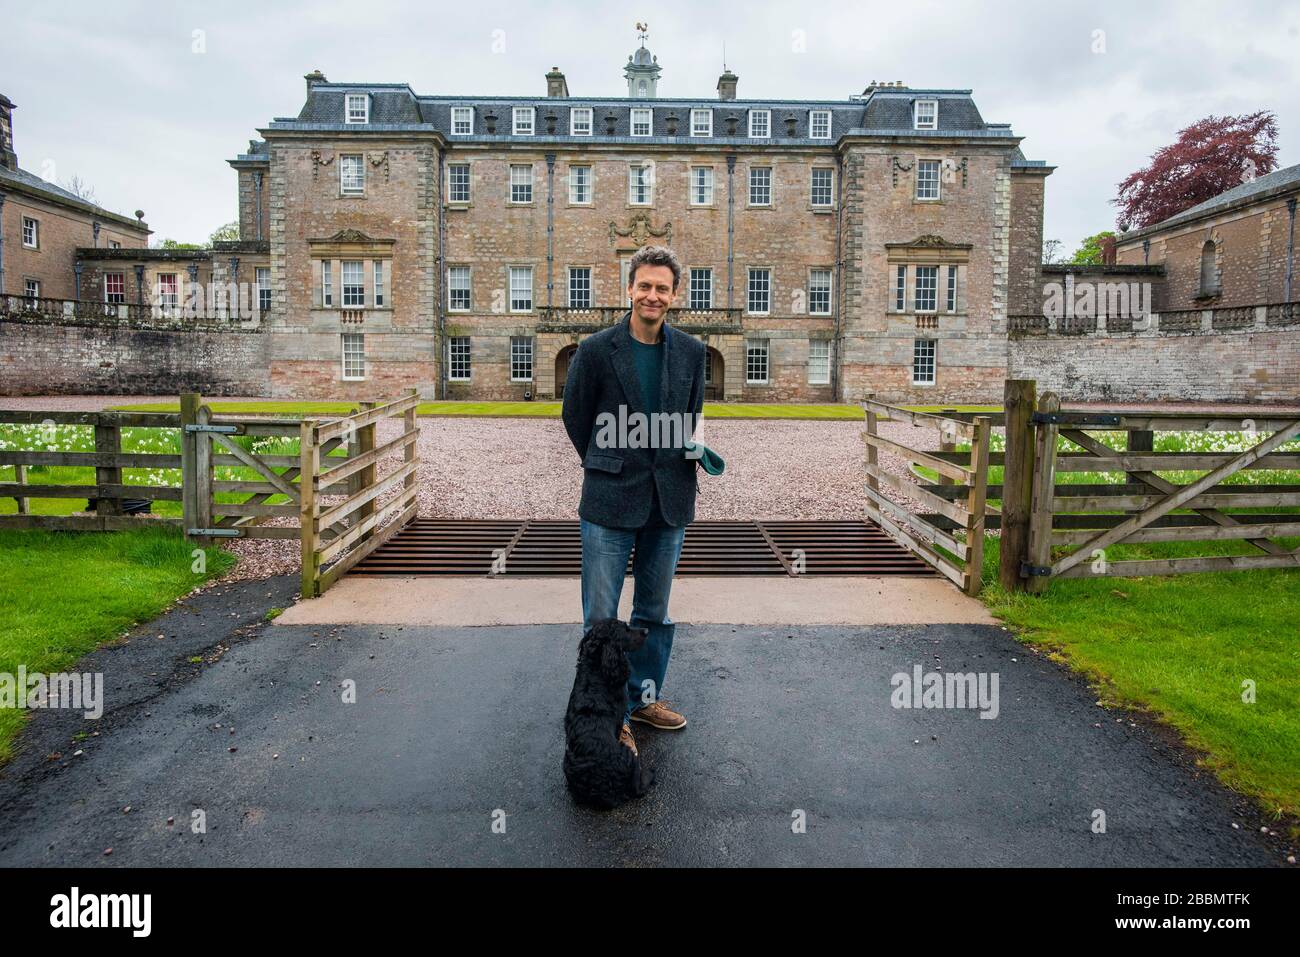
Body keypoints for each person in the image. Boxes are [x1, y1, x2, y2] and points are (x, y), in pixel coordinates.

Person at [561, 244, 707, 755]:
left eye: (662, 288)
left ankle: (643, 700)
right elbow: (576, 416)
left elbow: (691, 417)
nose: (652, 295)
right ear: (629, 288)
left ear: (674, 294)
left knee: (654, 613)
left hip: (669, 500)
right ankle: (608, 715)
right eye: (644, 285)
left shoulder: (690, 351)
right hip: (609, 498)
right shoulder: (596, 349)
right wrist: (607, 460)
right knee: (601, 621)